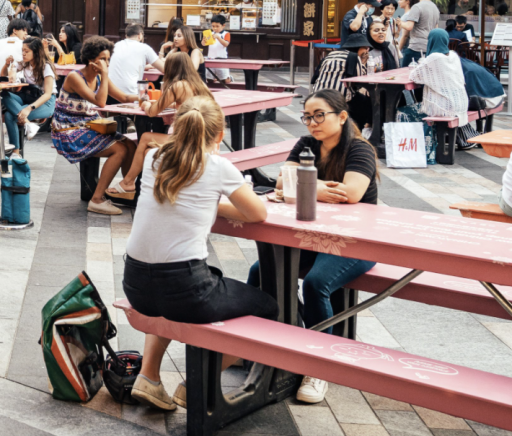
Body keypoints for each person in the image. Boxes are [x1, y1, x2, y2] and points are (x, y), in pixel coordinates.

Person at [125, 96, 273, 411]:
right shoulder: (218, 166)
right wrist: (212, 198)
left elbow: (176, 198)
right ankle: (195, 382)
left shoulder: (153, 156)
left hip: (135, 285)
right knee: (268, 310)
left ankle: (148, 376)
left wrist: (204, 201)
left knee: (170, 296)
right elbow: (258, 214)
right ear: (219, 136)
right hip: (186, 290)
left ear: (176, 127)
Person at [248, 90, 379, 405]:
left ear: (342, 116)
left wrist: (304, 185)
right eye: (308, 116)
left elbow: (352, 193)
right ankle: (262, 347)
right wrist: (320, 187)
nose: (312, 123)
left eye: (320, 115)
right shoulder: (307, 144)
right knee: (261, 270)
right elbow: (281, 181)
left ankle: (318, 366)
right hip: (315, 236)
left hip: (358, 240)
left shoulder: (359, 149)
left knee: (317, 282)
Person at [51, 36, 136, 216]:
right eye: (103, 59)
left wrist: (145, 98)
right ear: (91, 60)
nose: (107, 63)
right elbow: (101, 102)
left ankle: (126, 189)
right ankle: (97, 200)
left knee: (130, 144)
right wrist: (105, 74)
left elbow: (124, 97)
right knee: (119, 150)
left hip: (88, 126)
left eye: (108, 59)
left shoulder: (99, 77)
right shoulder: (75, 77)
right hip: (67, 131)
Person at [118, 52, 215, 198]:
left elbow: (152, 112)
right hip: (204, 139)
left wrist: (144, 103)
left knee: (145, 138)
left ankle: (128, 182)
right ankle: (148, 186)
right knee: (149, 149)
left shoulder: (177, 86)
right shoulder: (200, 85)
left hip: (187, 140)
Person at [1, 36, 55, 154]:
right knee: (2, 93)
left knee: (10, 116)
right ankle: (27, 123)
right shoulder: (25, 64)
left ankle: (15, 153)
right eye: (22, 51)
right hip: (28, 96)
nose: (23, 54)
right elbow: (3, 77)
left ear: (36, 52)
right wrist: (6, 65)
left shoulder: (46, 67)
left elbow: (47, 94)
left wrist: (29, 108)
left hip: (46, 101)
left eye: (27, 51)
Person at [310, 31, 371, 126]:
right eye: (365, 48)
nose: (367, 51)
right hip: (338, 99)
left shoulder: (331, 54)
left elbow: (315, 78)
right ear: (358, 47)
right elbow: (359, 80)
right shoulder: (354, 57)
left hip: (317, 96)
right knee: (365, 102)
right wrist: (363, 63)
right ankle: (356, 129)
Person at [410, 29, 468, 123]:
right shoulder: (454, 55)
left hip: (445, 108)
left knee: (412, 111)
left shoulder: (433, 58)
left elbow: (414, 76)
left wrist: (422, 63)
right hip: (461, 103)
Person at [106, 23, 164, 101]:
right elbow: (164, 69)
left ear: (126, 35)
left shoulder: (116, 45)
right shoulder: (145, 48)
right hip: (131, 95)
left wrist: (146, 67)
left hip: (110, 94)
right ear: (140, 35)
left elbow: (126, 65)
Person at [398, 0, 440, 66]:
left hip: (416, 47)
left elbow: (409, 26)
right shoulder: (435, 7)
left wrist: (399, 22)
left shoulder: (417, 7)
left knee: (405, 73)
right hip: (429, 47)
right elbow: (436, 28)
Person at [205, 14, 232, 86]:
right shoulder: (210, 33)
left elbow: (226, 44)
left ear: (223, 25)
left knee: (225, 79)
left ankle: (229, 78)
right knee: (209, 79)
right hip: (211, 58)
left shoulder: (226, 34)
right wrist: (204, 41)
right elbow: (204, 44)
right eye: (213, 26)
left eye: (217, 26)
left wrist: (218, 38)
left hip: (222, 58)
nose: (215, 28)